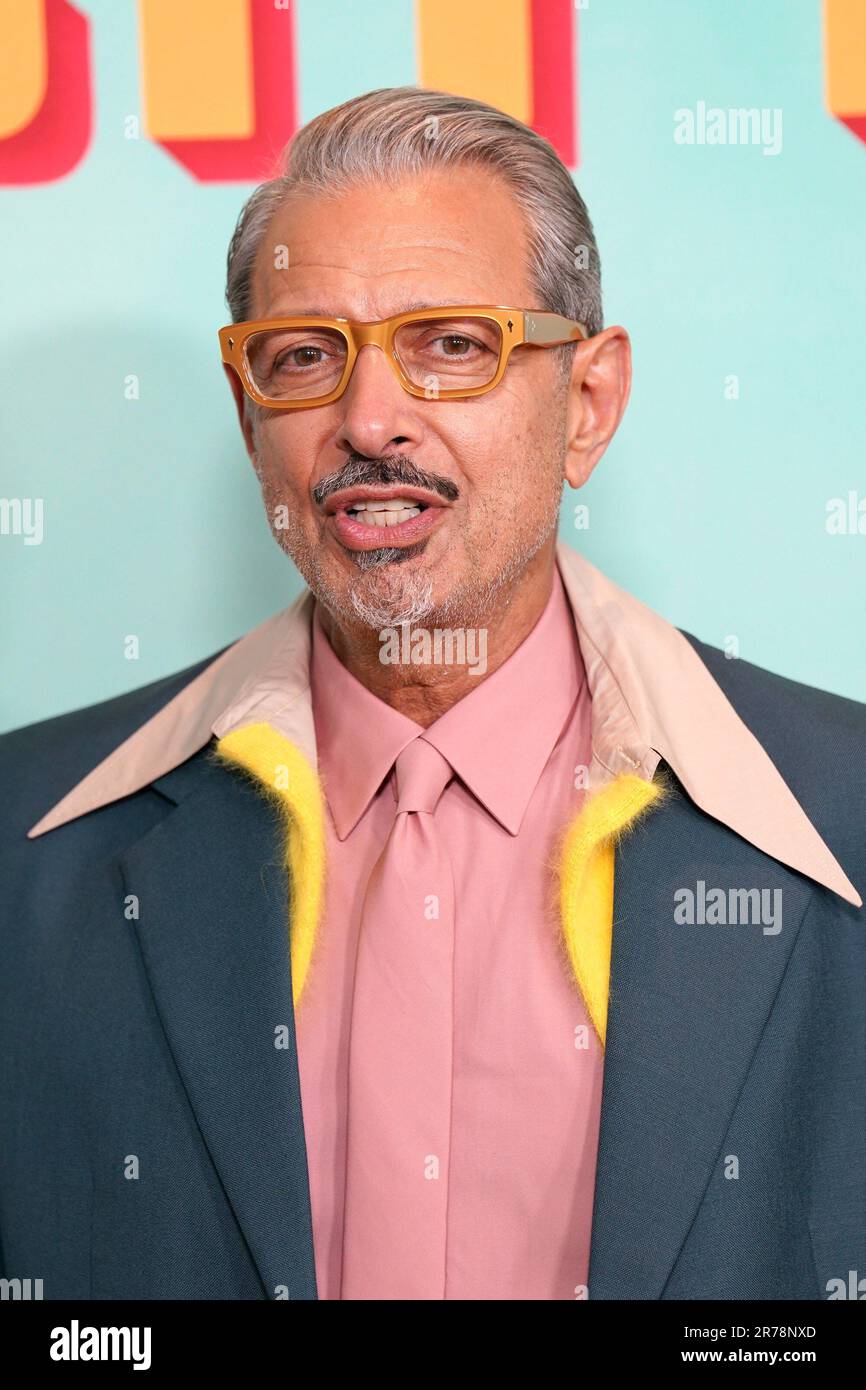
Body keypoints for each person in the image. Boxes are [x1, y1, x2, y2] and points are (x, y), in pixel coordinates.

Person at [1, 87, 863, 1302]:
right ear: (252, 423)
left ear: (589, 405)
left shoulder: (839, 812)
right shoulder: (25, 846)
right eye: (303, 357)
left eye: (451, 345)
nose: (367, 420)